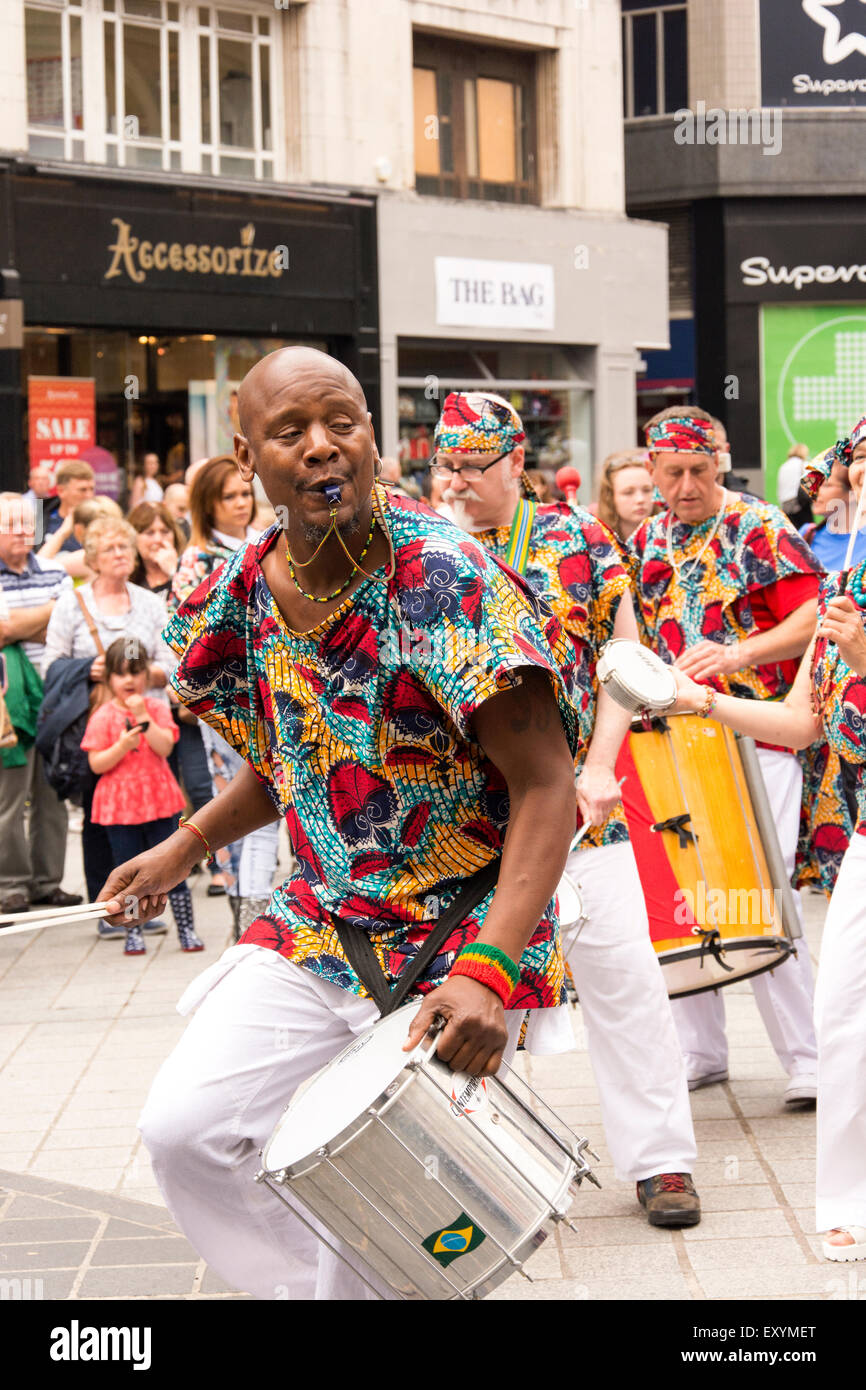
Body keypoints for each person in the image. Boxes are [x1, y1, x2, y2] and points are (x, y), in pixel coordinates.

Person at [97, 345, 582, 1300]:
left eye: (343, 424)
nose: (322, 448)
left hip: (456, 943)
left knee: (385, 1213)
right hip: (318, 922)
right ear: (248, 458)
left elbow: (547, 786)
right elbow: (293, 763)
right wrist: (185, 843)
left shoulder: (443, 581)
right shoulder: (240, 589)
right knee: (185, 1131)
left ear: (371, 436)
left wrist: (492, 970)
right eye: (290, 433)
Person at [437, 389, 699, 1228]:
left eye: (473, 466)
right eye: (446, 467)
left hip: (587, 809)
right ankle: (487, 1174)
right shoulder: (429, 550)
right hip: (475, 824)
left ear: (517, 461)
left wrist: (597, 766)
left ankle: (662, 1165)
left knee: (625, 984)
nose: (457, 483)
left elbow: (624, 658)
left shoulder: (574, 537)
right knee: (482, 997)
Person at [669, 413, 866, 1261]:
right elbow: (802, 721)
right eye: (854, 479)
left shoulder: (767, 537)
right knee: (847, 1013)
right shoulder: (846, 588)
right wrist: (698, 700)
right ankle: (846, 1196)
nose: (851, 492)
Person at [630, 406, 822, 1105]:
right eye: (672, 473)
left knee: (760, 892)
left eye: (699, 472)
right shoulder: (646, 539)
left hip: (758, 732)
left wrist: (738, 652)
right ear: (651, 470)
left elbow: (814, 617)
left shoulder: (759, 525)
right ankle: (702, 1050)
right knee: (685, 892)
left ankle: (807, 1059)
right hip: (675, 741)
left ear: (722, 463)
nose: (686, 486)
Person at [42, 515, 176, 935]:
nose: (121, 555)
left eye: (125, 548)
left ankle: (142, 906)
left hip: (145, 725)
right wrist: (91, 668)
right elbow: (51, 665)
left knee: (149, 819)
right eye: (111, 550)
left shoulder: (149, 603)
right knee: (99, 821)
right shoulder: (71, 603)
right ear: (94, 559)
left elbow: (173, 663)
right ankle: (104, 911)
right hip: (96, 726)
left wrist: (140, 674)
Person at [170, 455, 276, 919]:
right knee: (236, 799)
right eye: (228, 496)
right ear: (207, 504)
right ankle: (244, 907)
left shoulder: (266, 543)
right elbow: (183, 634)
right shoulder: (197, 559)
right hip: (228, 694)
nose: (239, 503)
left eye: (244, 494)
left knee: (274, 794)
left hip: (274, 689)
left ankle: (255, 906)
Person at [81, 638, 203, 957]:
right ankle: (134, 930)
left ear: (147, 676)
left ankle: (186, 927)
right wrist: (121, 746)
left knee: (172, 863)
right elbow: (96, 763)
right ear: (109, 678)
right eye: (121, 674)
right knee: (127, 869)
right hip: (120, 810)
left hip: (159, 802)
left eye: (136, 672)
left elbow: (164, 747)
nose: (129, 681)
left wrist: (143, 718)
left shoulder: (159, 708)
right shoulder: (102, 716)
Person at [0, 493, 79, 917]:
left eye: (25, 526)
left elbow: (66, 622)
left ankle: (48, 882)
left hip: (52, 700)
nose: (22, 535)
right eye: (11, 527)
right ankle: (10, 884)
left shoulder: (52, 570)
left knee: (51, 794)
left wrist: (15, 626)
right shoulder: (53, 580)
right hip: (6, 704)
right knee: (9, 797)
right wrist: (44, 616)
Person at [799, 456, 866, 572]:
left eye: (826, 485)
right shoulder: (806, 535)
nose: (814, 492)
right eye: (815, 483)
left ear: (853, 491)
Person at [40, 461, 96, 580]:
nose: (89, 495)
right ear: (61, 491)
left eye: (92, 489)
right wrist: (64, 531)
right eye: (82, 490)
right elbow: (32, 564)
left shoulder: (101, 521)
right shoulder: (39, 518)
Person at [596, 449, 654, 542]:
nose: (640, 499)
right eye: (628, 492)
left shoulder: (672, 540)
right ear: (610, 497)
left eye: (647, 490)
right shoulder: (595, 544)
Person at [128, 502, 183, 597]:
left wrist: (173, 571)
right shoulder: (128, 580)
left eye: (165, 532)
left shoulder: (191, 569)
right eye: (150, 533)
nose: (158, 540)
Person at [778, 442, 814, 532]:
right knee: (806, 533)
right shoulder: (804, 465)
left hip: (785, 505)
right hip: (800, 504)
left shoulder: (783, 466)